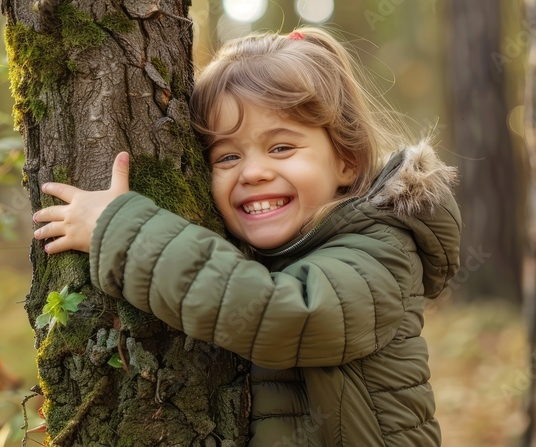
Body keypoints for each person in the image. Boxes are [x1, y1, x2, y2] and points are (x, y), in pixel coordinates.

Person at [31, 27, 461, 446]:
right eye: (228, 156)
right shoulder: (273, 254)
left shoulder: (379, 251)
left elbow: (283, 314)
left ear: (346, 161)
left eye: (281, 148)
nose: (253, 172)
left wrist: (125, 234)